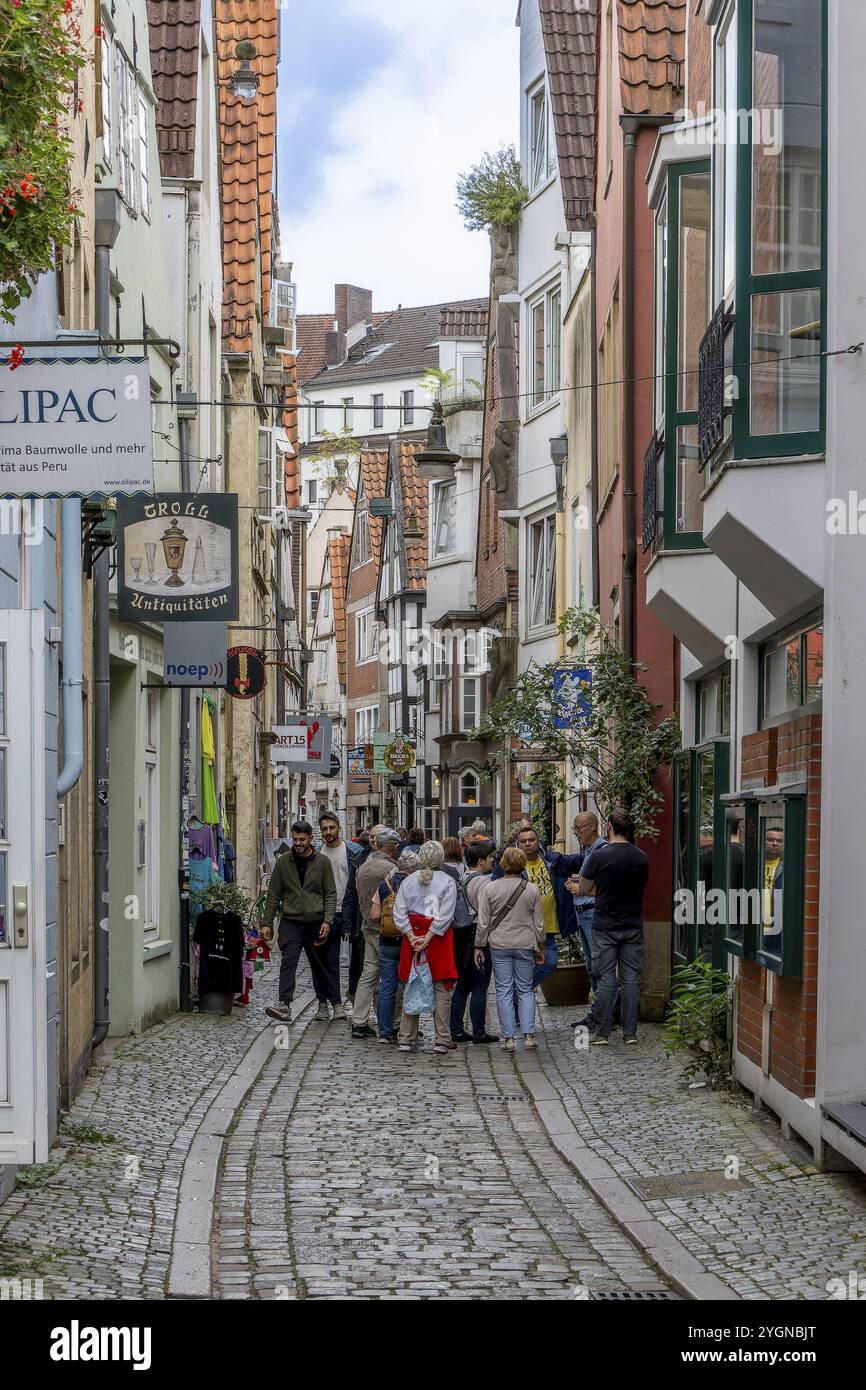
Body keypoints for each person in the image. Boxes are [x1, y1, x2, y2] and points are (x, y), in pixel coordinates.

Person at [572, 809, 648, 1045]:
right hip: (632, 923)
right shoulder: (640, 856)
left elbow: (583, 888)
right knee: (631, 979)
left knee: (605, 977)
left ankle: (603, 1033)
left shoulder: (600, 856)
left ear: (610, 829)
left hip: (605, 923)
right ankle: (630, 1034)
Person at [263, 820, 337, 1025]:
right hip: (291, 922)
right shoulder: (283, 862)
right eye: (295, 839)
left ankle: (323, 1003)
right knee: (288, 962)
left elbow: (330, 894)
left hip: (315, 921)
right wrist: (267, 922)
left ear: (310, 839)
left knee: (318, 965)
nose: (298, 843)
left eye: (302, 840)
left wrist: (328, 921)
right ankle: (284, 1004)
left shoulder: (322, 863)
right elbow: (273, 895)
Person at [475, 846, 545, 1051]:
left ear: (503, 864)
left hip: (499, 944)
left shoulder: (490, 888)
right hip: (524, 943)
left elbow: (483, 922)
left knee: (504, 990)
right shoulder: (531, 889)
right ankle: (529, 1035)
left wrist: (479, 945)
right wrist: (541, 947)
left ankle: (508, 1038)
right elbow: (539, 924)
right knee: (525, 989)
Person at [393, 841, 458, 1053]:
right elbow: (445, 915)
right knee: (441, 988)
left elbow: (399, 912)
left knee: (411, 984)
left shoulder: (408, 882)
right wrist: (429, 937)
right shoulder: (448, 882)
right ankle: (442, 1038)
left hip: (413, 936)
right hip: (438, 939)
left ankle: (405, 1036)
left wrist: (412, 936)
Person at [350, 827, 402, 1038]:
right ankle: (392, 1022)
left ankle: (359, 1021)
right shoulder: (391, 870)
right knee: (392, 978)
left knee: (369, 974)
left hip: (368, 928)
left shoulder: (363, 868)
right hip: (386, 930)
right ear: (393, 848)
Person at [446, 841, 498, 1043]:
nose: (493, 860)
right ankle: (479, 1031)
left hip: (461, 934)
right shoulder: (484, 882)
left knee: (462, 985)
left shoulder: (462, 877)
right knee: (479, 985)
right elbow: (486, 913)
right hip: (478, 933)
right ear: (482, 860)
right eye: (490, 857)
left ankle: (456, 1029)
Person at [369, 848, 420, 1043]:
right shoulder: (414, 887)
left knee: (387, 986)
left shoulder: (385, 886)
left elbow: (373, 916)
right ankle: (406, 1030)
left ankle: (384, 1031)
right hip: (409, 942)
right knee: (409, 985)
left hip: (387, 942)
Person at [564, 812, 608, 1032]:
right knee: (592, 966)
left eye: (579, 829)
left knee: (599, 965)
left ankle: (602, 1016)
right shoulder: (589, 851)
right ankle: (597, 1013)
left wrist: (580, 888)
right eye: (575, 829)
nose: (576, 834)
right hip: (583, 913)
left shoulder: (602, 850)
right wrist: (576, 881)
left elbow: (607, 888)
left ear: (592, 826)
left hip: (593, 912)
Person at [315, 812, 360, 1020]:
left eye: (332, 828)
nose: (328, 832)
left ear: (339, 827)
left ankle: (342, 1000)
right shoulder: (317, 853)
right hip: (324, 913)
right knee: (326, 959)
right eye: (324, 829)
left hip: (347, 910)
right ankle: (328, 1003)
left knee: (354, 960)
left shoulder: (353, 851)